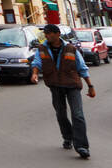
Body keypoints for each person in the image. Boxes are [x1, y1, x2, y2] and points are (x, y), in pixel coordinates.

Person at [29, 24, 95, 159]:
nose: (46, 36)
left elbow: (82, 67)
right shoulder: (42, 49)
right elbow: (37, 63)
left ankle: (82, 146)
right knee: (61, 114)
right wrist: (35, 74)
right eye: (45, 34)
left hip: (72, 85)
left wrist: (90, 85)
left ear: (57, 34)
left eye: (49, 33)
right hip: (55, 86)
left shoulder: (71, 48)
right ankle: (67, 137)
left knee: (78, 115)